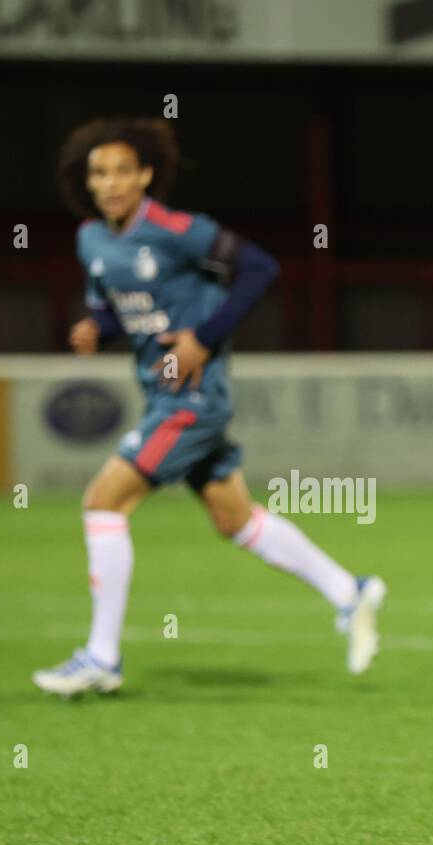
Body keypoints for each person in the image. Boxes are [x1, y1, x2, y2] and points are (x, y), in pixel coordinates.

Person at [35, 118, 385, 696]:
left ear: (145, 174)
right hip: (161, 391)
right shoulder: (91, 241)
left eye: (123, 169)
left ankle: (101, 656)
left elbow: (259, 269)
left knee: (102, 502)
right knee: (236, 520)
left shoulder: (177, 229)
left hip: (193, 399)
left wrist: (203, 336)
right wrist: (96, 329)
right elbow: (121, 309)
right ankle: (351, 592)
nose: (112, 181)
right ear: (87, 182)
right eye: (100, 172)